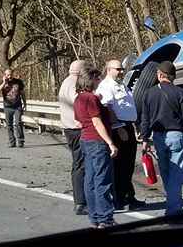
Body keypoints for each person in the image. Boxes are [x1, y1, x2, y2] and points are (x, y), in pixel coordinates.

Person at [137, 62, 183, 219]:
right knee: (177, 174)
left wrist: (145, 138)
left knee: (167, 173)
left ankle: (173, 205)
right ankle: (173, 210)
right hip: (176, 136)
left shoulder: (149, 94)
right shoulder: (181, 93)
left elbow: (145, 119)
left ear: (160, 75)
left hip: (158, 137)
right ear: (174, 76)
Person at [73, 67, 119, 229]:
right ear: (90, 80)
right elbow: (96, 121)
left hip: (85, 140)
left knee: (90, 181)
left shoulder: (78, 98)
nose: (99, 81)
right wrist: (110, 142)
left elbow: (79, 121)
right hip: (97, 141)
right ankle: (105, 218)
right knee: (102, 181)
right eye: (96, 79)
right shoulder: (90, 99)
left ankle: (95, 218)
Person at [96, 58, 143, 212]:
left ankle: (129, 195)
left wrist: (136, 125)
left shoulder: (122, 85)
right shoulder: (106, 86)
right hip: (118, 127)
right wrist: (118, 127)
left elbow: (129, 107)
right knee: (119, 165)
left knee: (129, 165)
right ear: (108, 69)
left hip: (128, 125)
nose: (121, 71)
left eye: (122, 69)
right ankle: (118, 198)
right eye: (117, 69)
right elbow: (108, 109)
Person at [57, 59, 89, 215]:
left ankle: (83, 199)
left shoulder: (67, 81)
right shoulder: (73, 84)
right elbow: (79, 101)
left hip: (70, 127)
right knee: (80, 164)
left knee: (80, 163)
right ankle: (81, 202)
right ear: (81, 71)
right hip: (75, 129)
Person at [0, 68, 26, 148]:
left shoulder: (18, 82)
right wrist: (4, 82)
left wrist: (25, 104)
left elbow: (23, 93)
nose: (9, 76)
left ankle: (21, 140)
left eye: (11, 74)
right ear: (5, 75)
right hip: (7, 106)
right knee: (9, 125)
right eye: (7, 75)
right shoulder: (2, 82)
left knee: (18, 122)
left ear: (13, 74)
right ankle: (12, 141)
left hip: (17, 106)